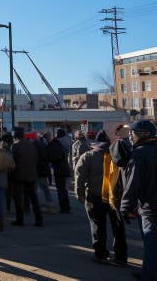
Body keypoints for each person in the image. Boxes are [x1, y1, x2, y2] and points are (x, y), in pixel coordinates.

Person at [76, 130, 128, 266]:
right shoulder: (117, 155)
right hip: (115, 197)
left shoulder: (88, 156)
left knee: (98, 226)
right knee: (118, 227)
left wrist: (79, 194)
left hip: (95, 196)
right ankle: (121, 256)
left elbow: (80, 176)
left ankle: (101, 254)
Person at [121, 120, 156, 280]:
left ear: (144, 134)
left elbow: (132, 184)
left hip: (150, 209)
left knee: (151, 245)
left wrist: (125, 207)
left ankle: (148, 276)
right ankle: (147, 271)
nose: (130, 136)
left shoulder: (139, 154)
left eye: (132, 133)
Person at [11, 127, 44, 227]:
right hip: (31, 174)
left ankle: (20, 219)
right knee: (34, 197)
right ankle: (39, 219)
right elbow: (36, 159)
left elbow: (12, 161)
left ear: (15, 136)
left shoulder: (15, 146)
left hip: (18, 174)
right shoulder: (32, 145)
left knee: (18, 198)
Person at [46, 132, 72, 214]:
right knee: (63, 189)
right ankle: (67, 206)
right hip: (64, 168)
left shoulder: (51, 147)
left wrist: (50, 160)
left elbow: (52, 158)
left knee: (60, 190)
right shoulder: (60, 145)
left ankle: (64, 208)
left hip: (59, 170)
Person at [33, 133, 56, 214]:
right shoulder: (43, 145)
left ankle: (37, 204)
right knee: (44, 187)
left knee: (35, 187)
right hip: (42, 168)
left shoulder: (34, 145)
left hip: (37, 168)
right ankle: (49, 203)